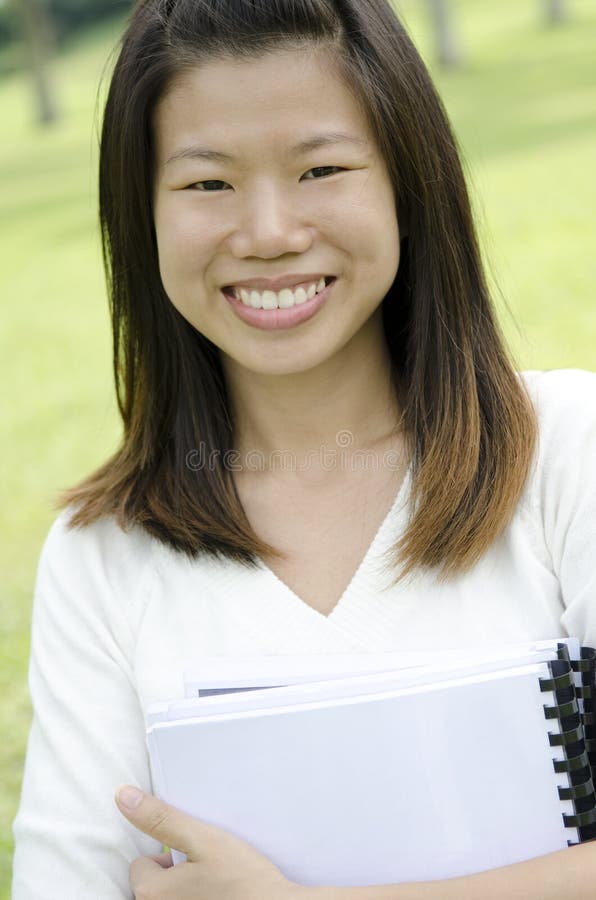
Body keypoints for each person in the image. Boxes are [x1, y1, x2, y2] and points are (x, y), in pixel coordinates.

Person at [11, 0, 596, 897]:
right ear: (142, 216)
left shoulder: (565, 452)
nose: (270, 233)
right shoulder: (104, 559)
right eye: (209, 184)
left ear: (408, 182)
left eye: (321, 168)